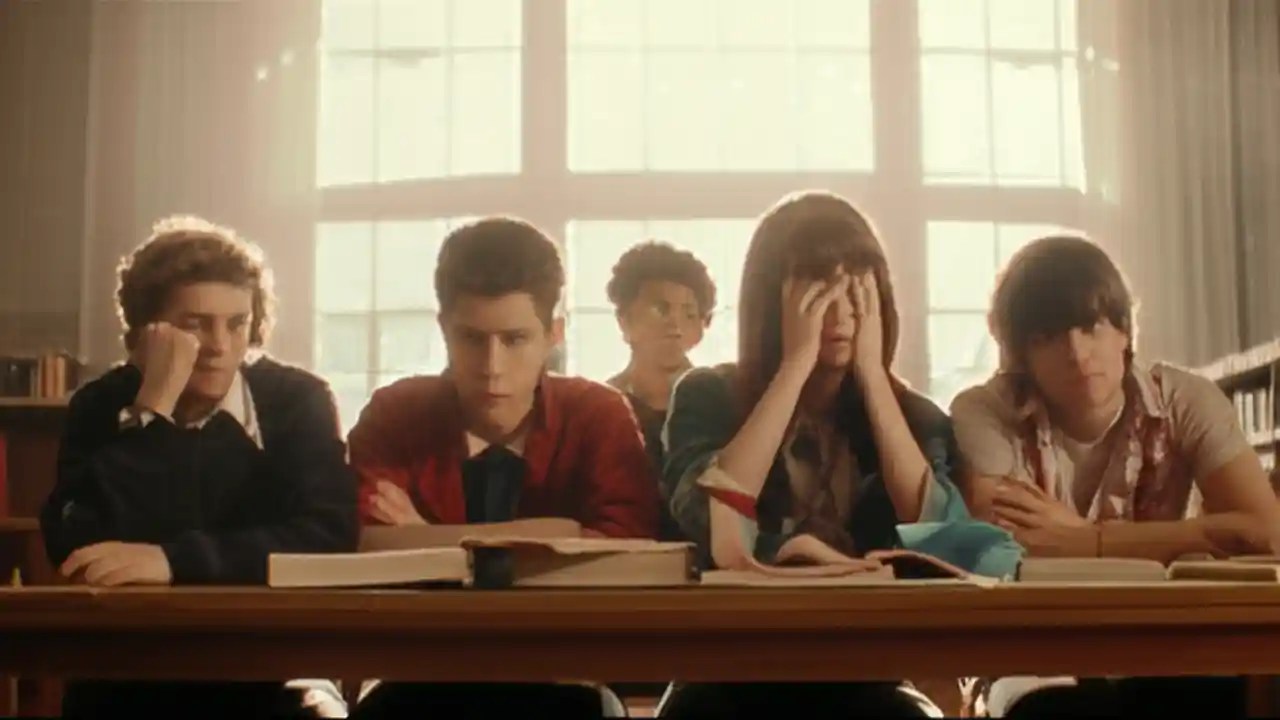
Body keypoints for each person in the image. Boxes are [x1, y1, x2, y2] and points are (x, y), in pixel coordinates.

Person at [657, 190, 973, 717]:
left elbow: (942, 541)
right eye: (819, 294)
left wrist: (873, 379)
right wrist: (796, 362)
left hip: (867, 667)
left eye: (857, 293)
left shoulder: (914, 418)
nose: (842, 314)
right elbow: (714, 523)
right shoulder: (707, 396)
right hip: (730, 664)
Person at [41, 215, 357, 719]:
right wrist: (154, 411)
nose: (220, 346)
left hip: (271, 666)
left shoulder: (297, 400)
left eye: (237, 324)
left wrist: (174, 561)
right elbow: (79, 542)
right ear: (146, 332)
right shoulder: (100, 405)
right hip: (131, 667)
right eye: (195, 325)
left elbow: (329, 534)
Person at [950, 234, 1279, 717]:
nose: (1077, 352)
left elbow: (1264, 534)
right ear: (1021, 356)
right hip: (1031, 644)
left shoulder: (1185, 399)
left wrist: (1087, 541)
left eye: (1092, 327)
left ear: (1124, 331)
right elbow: (995, 547)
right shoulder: (985, 410)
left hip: (1160, 636)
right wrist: (1193, 536)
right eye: (1048, 336)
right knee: (1050, 707)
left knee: (1205, 691)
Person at [347, 216, 658, 718]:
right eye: (472, 339)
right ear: (443, 328)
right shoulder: (396, 411)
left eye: (514, 340)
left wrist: (426, 537)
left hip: (563, 676)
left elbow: (627, 552)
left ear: (553, 334)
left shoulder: (597, 412)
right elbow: (362, 544)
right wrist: (558, 535)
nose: (492, 365)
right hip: (423, 675)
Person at [605, 240, 716, 543]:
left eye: (689, 313)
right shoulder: (601, 406)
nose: (675, 324)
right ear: (625, 320)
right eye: (660, 309)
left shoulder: (717, 405)